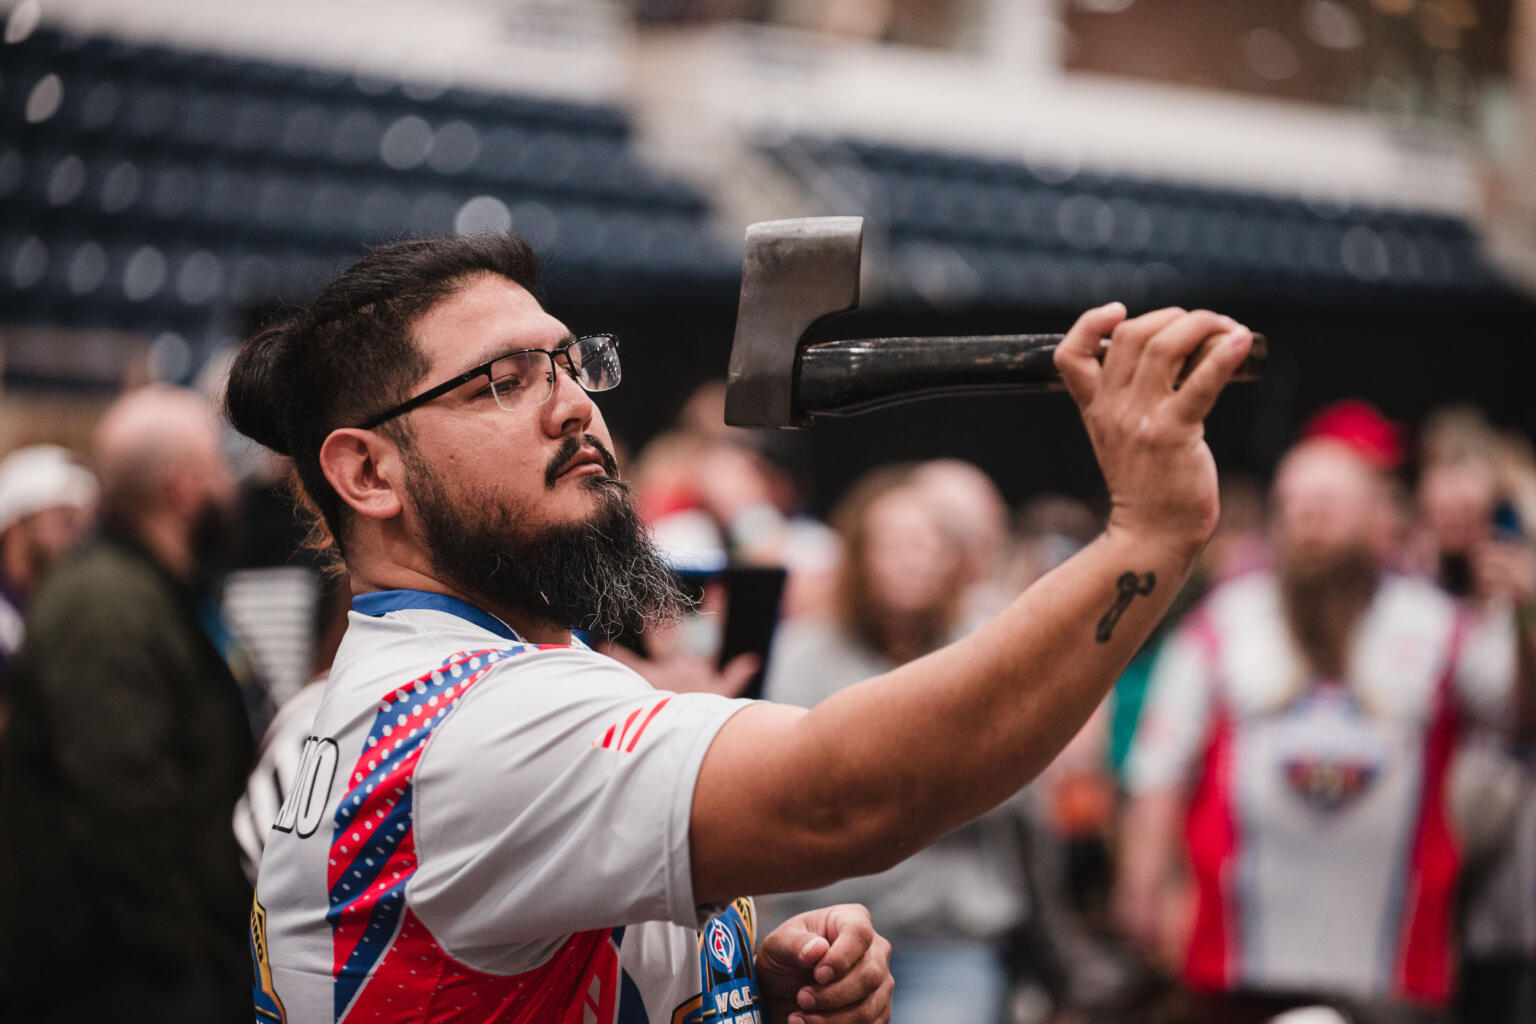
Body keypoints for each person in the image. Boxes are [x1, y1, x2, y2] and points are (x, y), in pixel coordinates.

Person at [225, 233, 1252, 1022]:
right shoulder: (474, 725)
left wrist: (727, 983)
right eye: (505, 379)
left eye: (571, 362)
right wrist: (1150, 533)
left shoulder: (406, 690)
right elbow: (851, 794)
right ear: (367, 471)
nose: (575, 404)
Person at [1116, 411, 1535, 1024]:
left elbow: (1518, 716)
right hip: (1232, 960)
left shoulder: (1440, 626)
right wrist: (1145, 886)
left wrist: (1526, 620)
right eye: (1296, 504)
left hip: (1393, 965)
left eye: (1331, 504)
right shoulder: (1220, 624)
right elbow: (1160, 767)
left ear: (1380, 521)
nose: (1310, 519)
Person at [0, 387, 255, 1023]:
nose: (232, 488)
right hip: (117, 981)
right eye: (218, 469)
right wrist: (192, 959)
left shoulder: (147, 590)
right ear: (184, 490)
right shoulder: (105, 607)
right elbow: (126, 809)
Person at [761, 466, 1040, 1024]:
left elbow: (1016, 786)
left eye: (926, 544)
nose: (911, 559)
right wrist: (949, 768)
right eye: (892, 544)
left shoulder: (987, 646)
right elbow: (787, 787)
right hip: (820, 936)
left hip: (949, 939)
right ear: (859, 555)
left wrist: (861, 771)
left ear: (951, 560)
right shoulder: (800, 653)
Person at [0, 444, 97, 718]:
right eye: (66, 519)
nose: (80, 533)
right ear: (16, 524)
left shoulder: (69, 606)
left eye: (84, 521)